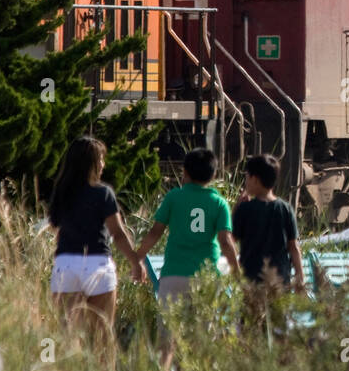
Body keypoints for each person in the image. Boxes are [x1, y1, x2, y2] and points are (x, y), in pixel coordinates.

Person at [47, 136, 146, 337]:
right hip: (97, 264)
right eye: (100, 159)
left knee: (67, 334)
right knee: (102, 336)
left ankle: (66, 369)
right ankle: (103, 369)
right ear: (90, 163)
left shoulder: (61, 191)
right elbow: (117, 233)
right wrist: (135, 262)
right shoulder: (103, 193)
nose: (103, 164)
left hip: (66, 264)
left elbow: (55, 225)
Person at [134, 148, 240, 305]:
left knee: (170, 328)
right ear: (213, 175)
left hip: (174, 273)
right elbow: (225, 241)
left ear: (185, 172)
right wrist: (237, 273)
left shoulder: (173, 197)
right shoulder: (219, 203)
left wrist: (138, 258)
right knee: (203, 329)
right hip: (206, 275)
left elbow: (155, 233)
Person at [232, 155, 305, 292]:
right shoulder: (285, 208)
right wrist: (300, 277)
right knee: (278, 312)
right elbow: (293, 246)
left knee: (253, 313)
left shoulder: (245, 209)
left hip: (252, 279)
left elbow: (231, 239)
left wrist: (236, 208)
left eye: (246, 177)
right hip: (280, 279)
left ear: (255, 179)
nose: (246, 181)